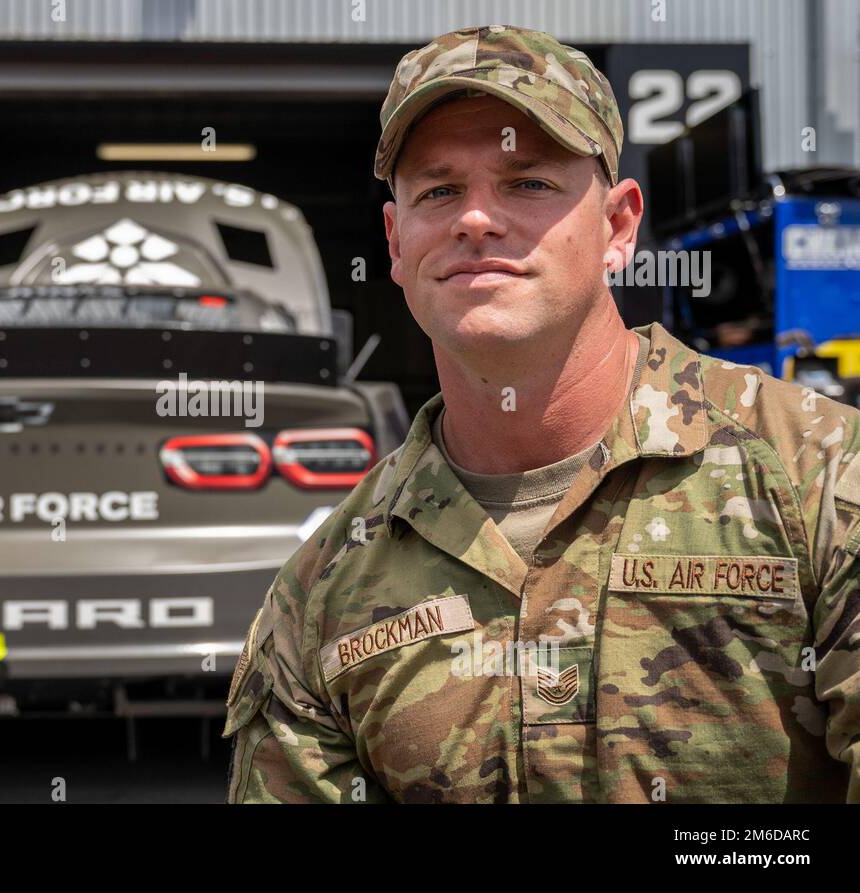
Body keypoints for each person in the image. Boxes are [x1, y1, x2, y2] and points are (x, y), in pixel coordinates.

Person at [223, 25, 860, 803]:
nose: (477, 220)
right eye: (438, 190)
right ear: (396, 241)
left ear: (618, 227)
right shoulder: (325, 589)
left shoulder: (820, 478)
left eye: (528, 183)